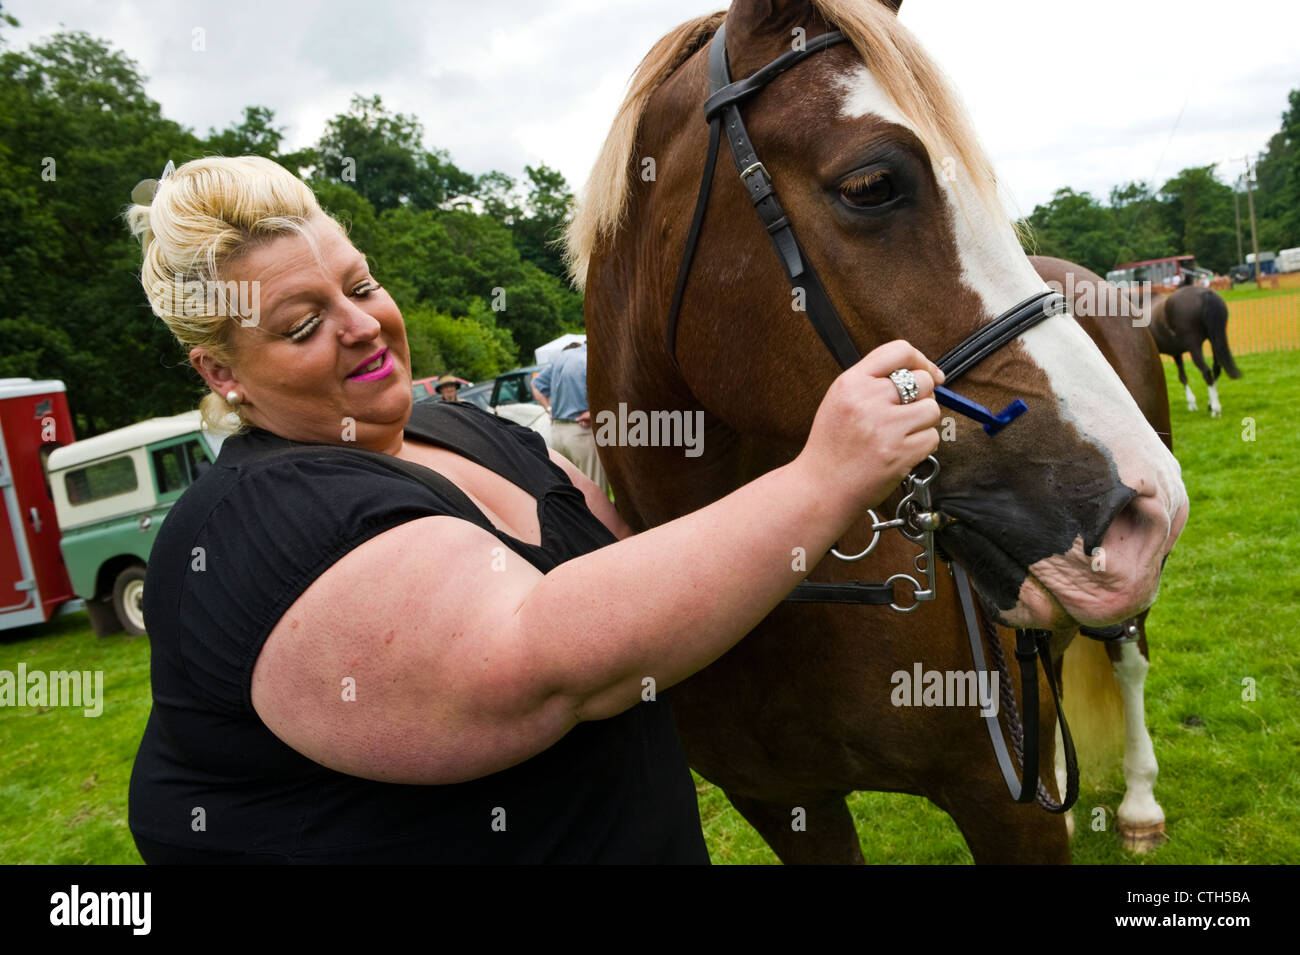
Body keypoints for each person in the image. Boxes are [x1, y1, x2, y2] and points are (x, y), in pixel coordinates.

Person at [124, 156, 943, 864]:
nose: (361, 325)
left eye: (362, 284)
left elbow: (638, 572)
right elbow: (541, 660)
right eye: (303, 325)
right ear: (221, 373)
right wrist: (823, 477)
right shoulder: (257, 522)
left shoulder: (461, 427)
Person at [530, 341, 609, 496]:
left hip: (557, 433)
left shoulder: (563, 356)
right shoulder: (592, 359)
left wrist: (549, 409)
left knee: (571, 494)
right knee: (596, 494)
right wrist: (594, 413)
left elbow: (536, 384)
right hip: (581, 432)